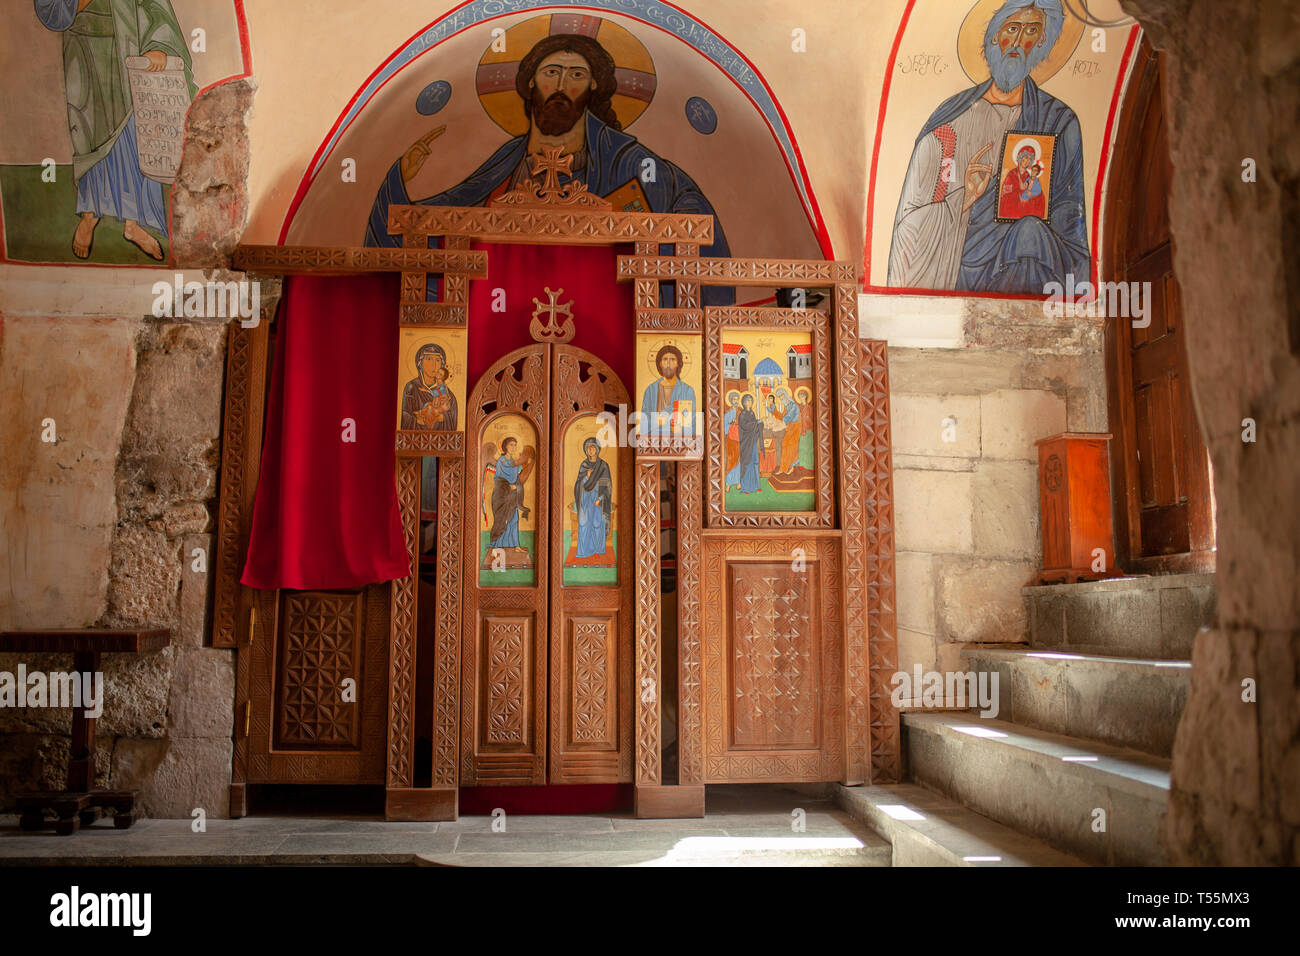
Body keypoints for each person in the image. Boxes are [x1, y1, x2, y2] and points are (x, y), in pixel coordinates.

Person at [368, 32, 733, 307]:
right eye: (552, 73)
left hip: (607, 320)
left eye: (576, 75)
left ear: (593, 86)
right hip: (506, 314)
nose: (561, 85)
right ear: (531, 83)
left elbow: (689, 209)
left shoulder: (628, 162)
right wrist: (397, 183)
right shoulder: (503, 168)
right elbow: (439, 225)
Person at [887, 0, 1088, 293]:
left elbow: (1070, 218)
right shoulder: (952, 119)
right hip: (962, 261)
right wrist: (965, 197)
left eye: (1032, 31)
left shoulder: (1057, 120)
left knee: (1029, 233)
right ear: (995, 35)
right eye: (1012, 28)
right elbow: (910, 224)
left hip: (1027, 266)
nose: (1018, 42)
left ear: (1042, 42)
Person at [35, 0, 196, 261]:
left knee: (135, 138)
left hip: (128, 50)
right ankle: (90, 215)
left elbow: (154, 6)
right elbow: (52, 13)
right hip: (84, 51)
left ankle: (133, 225)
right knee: (91, 138)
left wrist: (158, 47)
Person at [640, 344, 696, 438]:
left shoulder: (687, 391)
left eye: (672, 359)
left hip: (679, 441)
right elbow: (644, 422)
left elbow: (693, 422)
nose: (668, 364)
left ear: (678, 363)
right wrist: (656, 422)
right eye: (665, 359)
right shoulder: (650, 390)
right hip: (655, 440)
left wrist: (681, 429)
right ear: (660, 363)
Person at [400, 343, 458, 430]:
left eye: (438, 360)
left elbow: (452, 419)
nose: (434, 365)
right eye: (429, 359)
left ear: (442, 365)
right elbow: (405, 416)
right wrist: (420, 420)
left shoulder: (448, 394)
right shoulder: (411, 387)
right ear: (420, 364)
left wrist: (438, 417)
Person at [488, 437, 531, 553]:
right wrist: (509, 486)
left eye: (515, 445)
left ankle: (515, 545)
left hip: (512, 496)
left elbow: (517, 476)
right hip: (501, 495)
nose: (513, 447)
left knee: (514, 519)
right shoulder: (502, 461)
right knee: (502, 519)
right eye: (511, 445)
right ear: (505, 446)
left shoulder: (514, 462)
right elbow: (499, 480)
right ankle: (497, 545)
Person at [573, 437, 612, 559]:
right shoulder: (584, 465)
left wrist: (600, 499)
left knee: (597, 524)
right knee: (584, 523)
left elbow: (607, 485)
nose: (590, 450)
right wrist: (586, 477)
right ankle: (584, 551)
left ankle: (598, 550)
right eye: (588, 448)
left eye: (593, 447)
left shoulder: (603, 466)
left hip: (598, 500)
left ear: (597, 449)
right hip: (585, 500)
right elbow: (578, 485)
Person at [725, 395, 762, 494]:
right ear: (744, 402)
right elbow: (744, 426)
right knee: (742, 462)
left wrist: (758, 425)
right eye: (747, 401)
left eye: (751, 400)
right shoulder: (741, 414)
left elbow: (753, 427)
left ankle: (755, 485)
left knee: (754, 462)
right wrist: (756, 423)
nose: (749, 402)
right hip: (741, 442)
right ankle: (742, 487)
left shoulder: (750, 413)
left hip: (751, 441)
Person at [1000, 144, 1047, 218]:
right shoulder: (1012, 174)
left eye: (1030, 159)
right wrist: (1019, 195)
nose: (1027, 161)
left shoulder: (1028, 176)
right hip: (1013, 207)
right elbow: (1006, 194)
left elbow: (1034, 190)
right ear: (1020, 157)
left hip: (1026, 205)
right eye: (1026, 157)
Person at [777, 388, 803, 474]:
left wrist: (781, 423)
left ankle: (791, 467)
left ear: (786, 395)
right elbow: (782, 417)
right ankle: (783, 468)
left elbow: (788, 417)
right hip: (790, 429)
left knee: (792, 446)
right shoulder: (786, 407)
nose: (781, 398)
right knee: (785, 444)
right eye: (780, 397)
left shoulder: (793, 405)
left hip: (795, 428)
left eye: (782, 396)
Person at [760, 393, 782, 474]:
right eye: (769, 399)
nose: (770, 400)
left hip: (777, 418)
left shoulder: (773, 406)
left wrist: (766, 407)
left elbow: (773, 412)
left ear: (773, 400)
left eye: (771, 399)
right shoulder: (770, 405)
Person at [722, 391, 740, 471]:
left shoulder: (741, 411)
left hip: (740, 438)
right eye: (734, 399)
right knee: (731, 457)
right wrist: (730, 424)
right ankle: (729, 478)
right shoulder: (728, 413)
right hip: (731, 439)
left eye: (737, 399)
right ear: (731, 401)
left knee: (739, 458)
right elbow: (723, 426)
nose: (736, 401)